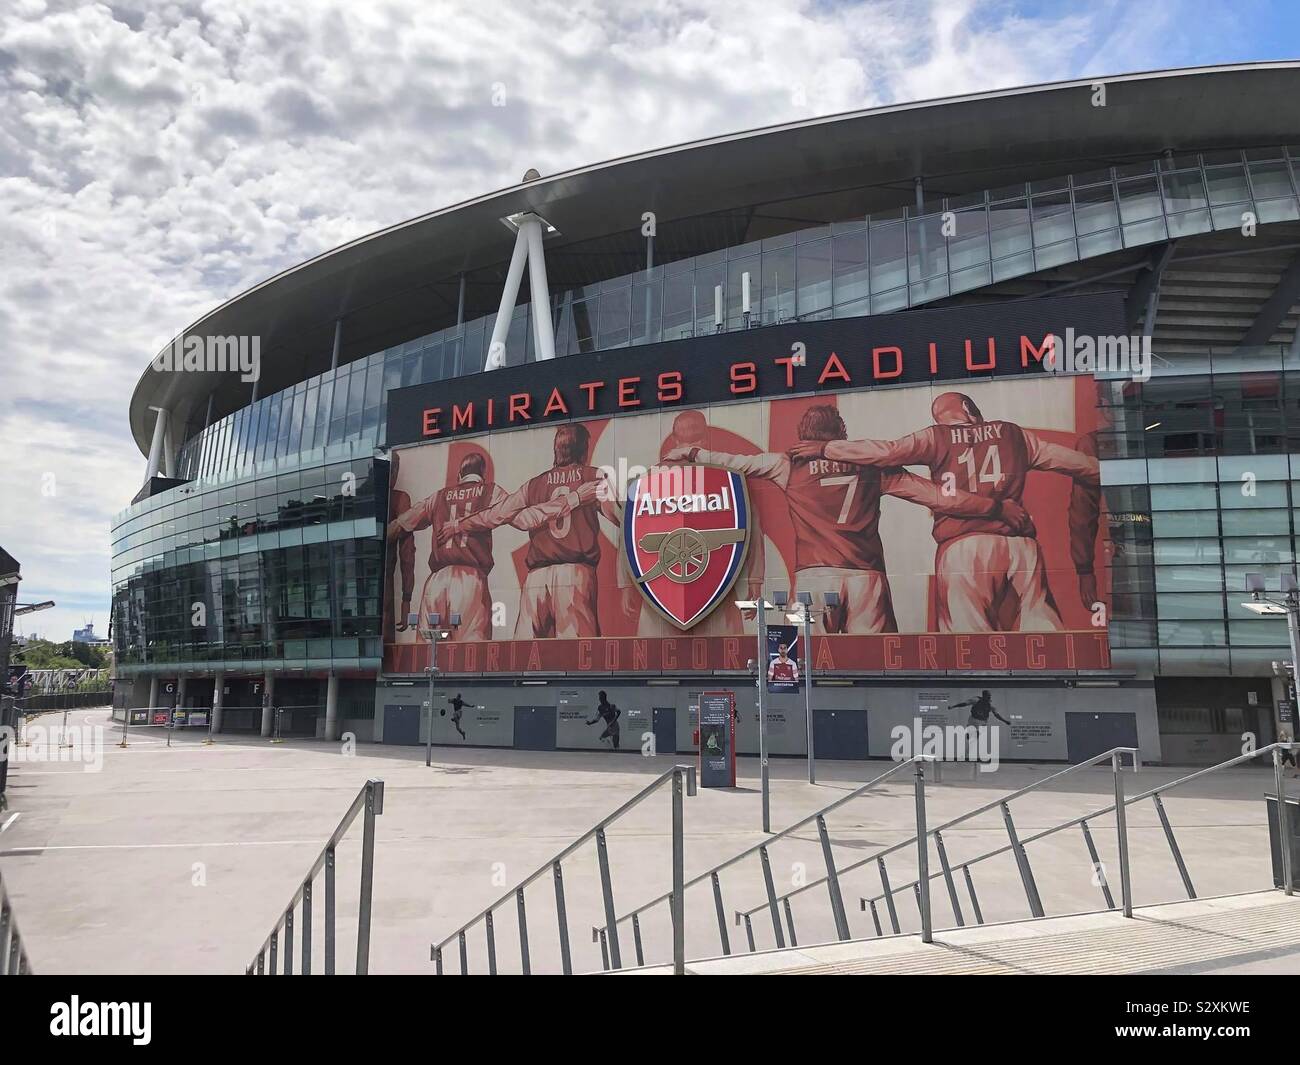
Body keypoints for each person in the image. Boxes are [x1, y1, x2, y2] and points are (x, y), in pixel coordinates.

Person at [666, 402, 1031, 633]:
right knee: (871, 663)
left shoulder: (785, 464)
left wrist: (690, 451)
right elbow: (939, 497)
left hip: (811, 579)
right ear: (842, 435)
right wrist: (995, 508)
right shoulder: (874, 468)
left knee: (803, 665)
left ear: (802, 435)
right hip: (866, 578)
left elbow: (734, 463)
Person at [790, 391, 1099, 632]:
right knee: (1041, 623)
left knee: (967, 637)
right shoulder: (1014, 434)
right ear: (969, 410)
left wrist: (826, 449)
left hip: (963, 546)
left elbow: (887, 452)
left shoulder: (935, 436)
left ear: (942, 418)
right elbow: (1082, 467)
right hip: (1020, 544)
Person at [439, 424, 620, 638]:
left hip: (536, 578)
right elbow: (618, 516)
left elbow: (496, 514)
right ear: (584, 450)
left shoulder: (534, 484)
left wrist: (459, 524)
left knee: (524, 655)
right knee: (578, 656)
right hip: (575, 573)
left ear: (557, 450)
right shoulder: (594, 476)